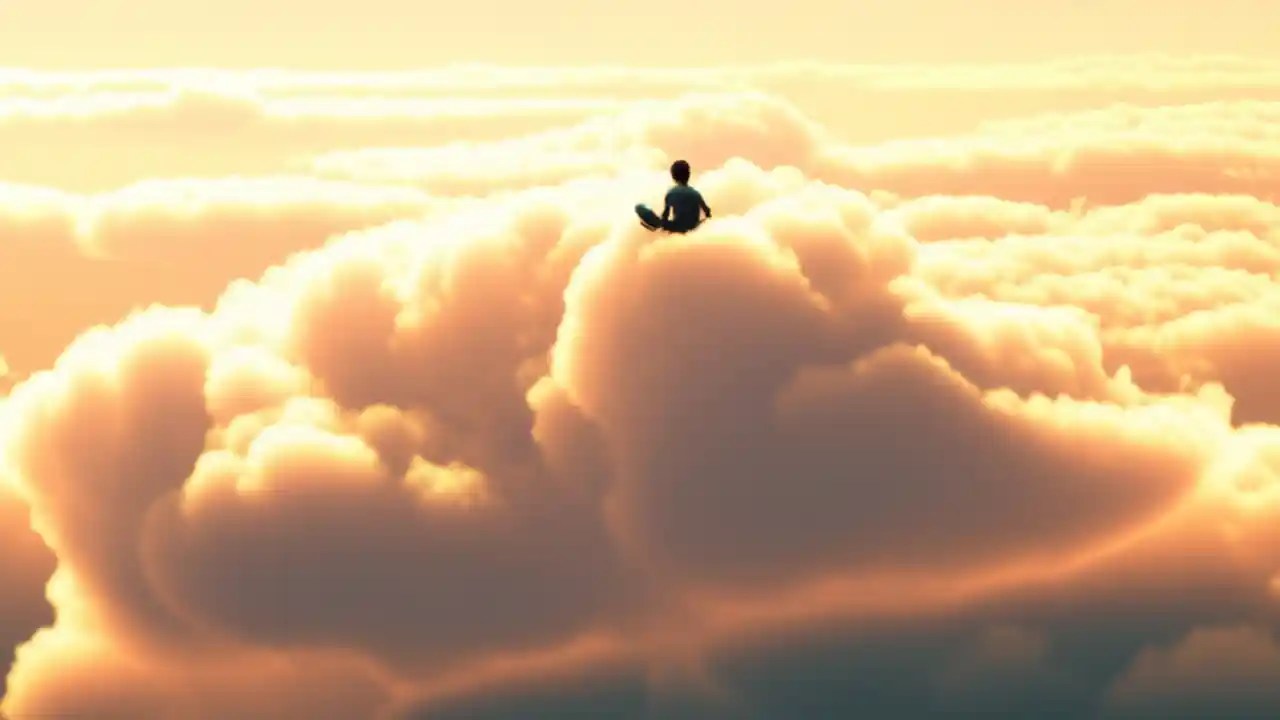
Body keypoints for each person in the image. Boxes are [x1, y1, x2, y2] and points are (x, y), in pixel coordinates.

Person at [635, 160, 712, 233]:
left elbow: (665, 215)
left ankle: (656, 228)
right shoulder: (695, 194)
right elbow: (707, 213)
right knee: (702, 222)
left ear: (673, 176)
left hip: (677, 227)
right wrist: (703, 222)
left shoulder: (671, 193)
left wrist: (660, 225)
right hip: (693, 227)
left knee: (639, 207)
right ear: (688, 175)